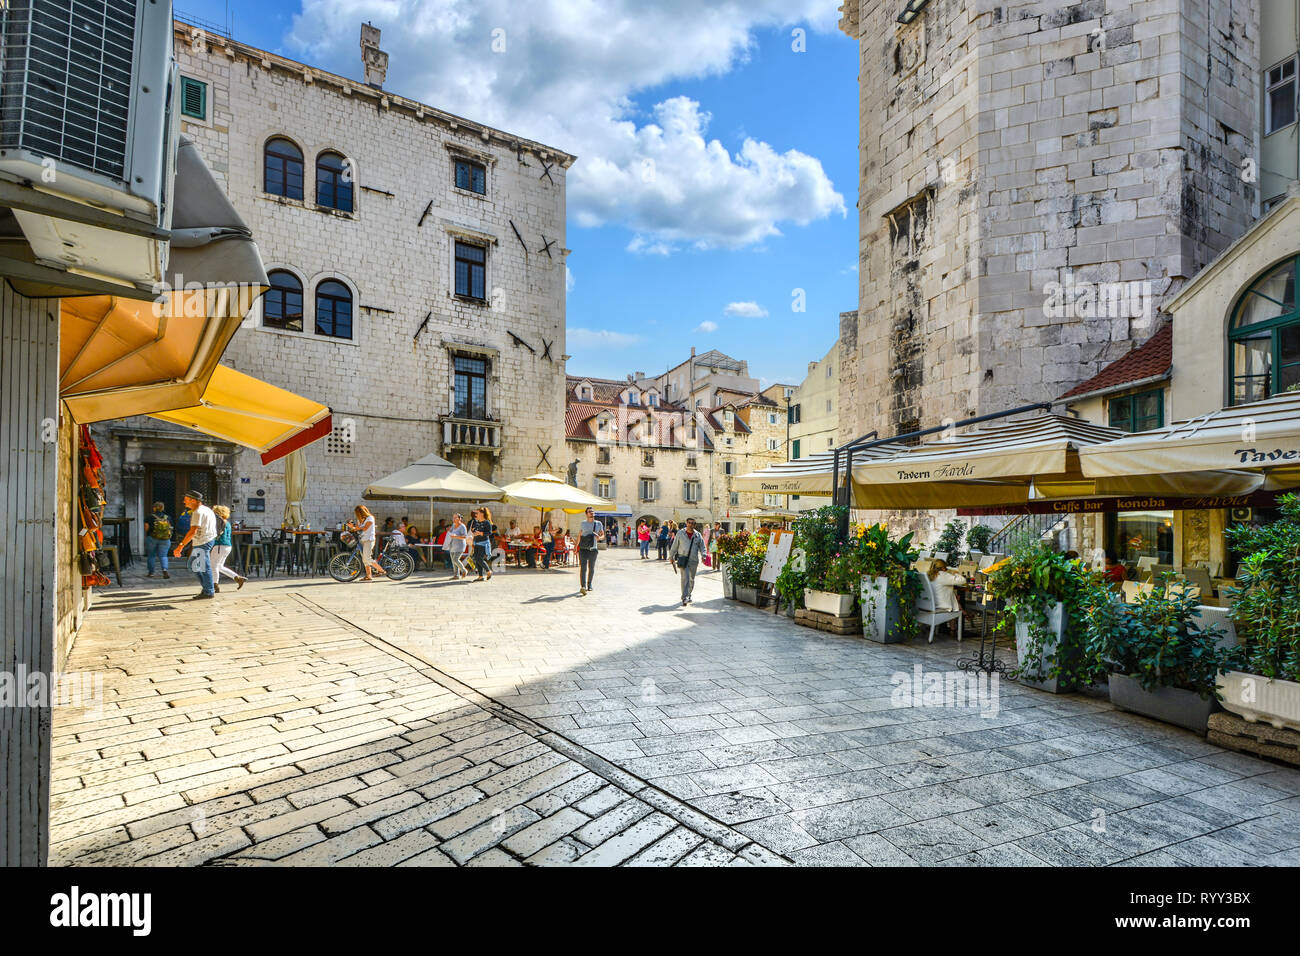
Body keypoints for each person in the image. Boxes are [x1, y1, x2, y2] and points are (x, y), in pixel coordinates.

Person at [172, 490, 216, 599]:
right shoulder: (207, 510)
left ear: (193, 500)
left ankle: (209, 591)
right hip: (207, 540)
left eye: (186, 500)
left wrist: (180, 546)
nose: (184, 502)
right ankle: (207, 589)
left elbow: (192, 531)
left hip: (202, 542)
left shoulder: (197, 512)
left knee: (202, 566)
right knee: (195, 566)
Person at [209, 505, 247, 592]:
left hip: (219, 546)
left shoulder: (218, 522)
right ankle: (238, 578)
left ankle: (215, 585)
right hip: (228, 546)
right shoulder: (228, 523)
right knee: (220, 566)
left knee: (213, 566)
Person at [668, 517, 705, 606]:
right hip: (683, 559)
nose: (691, 525)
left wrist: (704, 555)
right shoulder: (680, 533)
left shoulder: (697, 535)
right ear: (686, 523)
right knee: (685, 578)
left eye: (693, 523)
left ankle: (689, 594)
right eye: (689, 523)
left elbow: (702, 546)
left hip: (694, 560)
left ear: (695, 525)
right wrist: (671, 556)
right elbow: (675, 545)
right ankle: (684, 597)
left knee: (691, 579)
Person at [344, 504, 385, 582]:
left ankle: (381, 570)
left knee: (367, 558)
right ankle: (369, 576)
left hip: (369, 540)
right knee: (364, 559)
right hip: (363, 540)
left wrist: (357, 527)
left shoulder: (370, 518)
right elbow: (357, 529)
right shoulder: (360, 520)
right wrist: (352, 526)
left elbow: (365, 528)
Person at [577, 507, 604, 595]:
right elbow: (580, 535)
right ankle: (583, 586)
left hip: (593, 549)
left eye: (592, 512)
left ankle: (589, 584)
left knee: (591, 568)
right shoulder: (583, 523)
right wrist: (575, 546)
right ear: (586, 514)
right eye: (590, 512)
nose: (592, 513)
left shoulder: (598, 523)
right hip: (583, 549)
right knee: (583, 568)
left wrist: (599, 537)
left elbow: (602, 535)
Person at [144, 500, 172, 579]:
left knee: (151, 556)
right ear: (162, 508)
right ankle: (164, 569)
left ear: (154, 508)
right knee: (163, 555)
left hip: (152, 538)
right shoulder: (168, 517)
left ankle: (151, 572)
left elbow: (146, 528)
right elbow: (170, 528)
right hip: (165, 539)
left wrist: (149, 534)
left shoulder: (149, 517)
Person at [468, 507, 495, 580]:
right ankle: (480, 576)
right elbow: (475, 532)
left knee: (479, 559)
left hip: (483, 543)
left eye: (478, 513)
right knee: (476, 559)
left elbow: (489, 533)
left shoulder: (487, 522)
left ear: (482, 514)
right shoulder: (477, 522)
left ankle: (488, 571)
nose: (476, 514)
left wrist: (480, 533)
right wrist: (474, 532)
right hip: (476, 543)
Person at [446, 513, 470, 579]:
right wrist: (449, 530)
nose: (453, 519)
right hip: (452, 546)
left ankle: (464, 570)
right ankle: (456, 575)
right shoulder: (453, 525)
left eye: (455, 518)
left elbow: (465, 536)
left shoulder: (462, 526)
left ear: (460, 519)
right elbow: (451, 531)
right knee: (453, 561)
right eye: (453, 518)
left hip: (460, 546)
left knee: (455, 559)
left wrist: (456, 536)